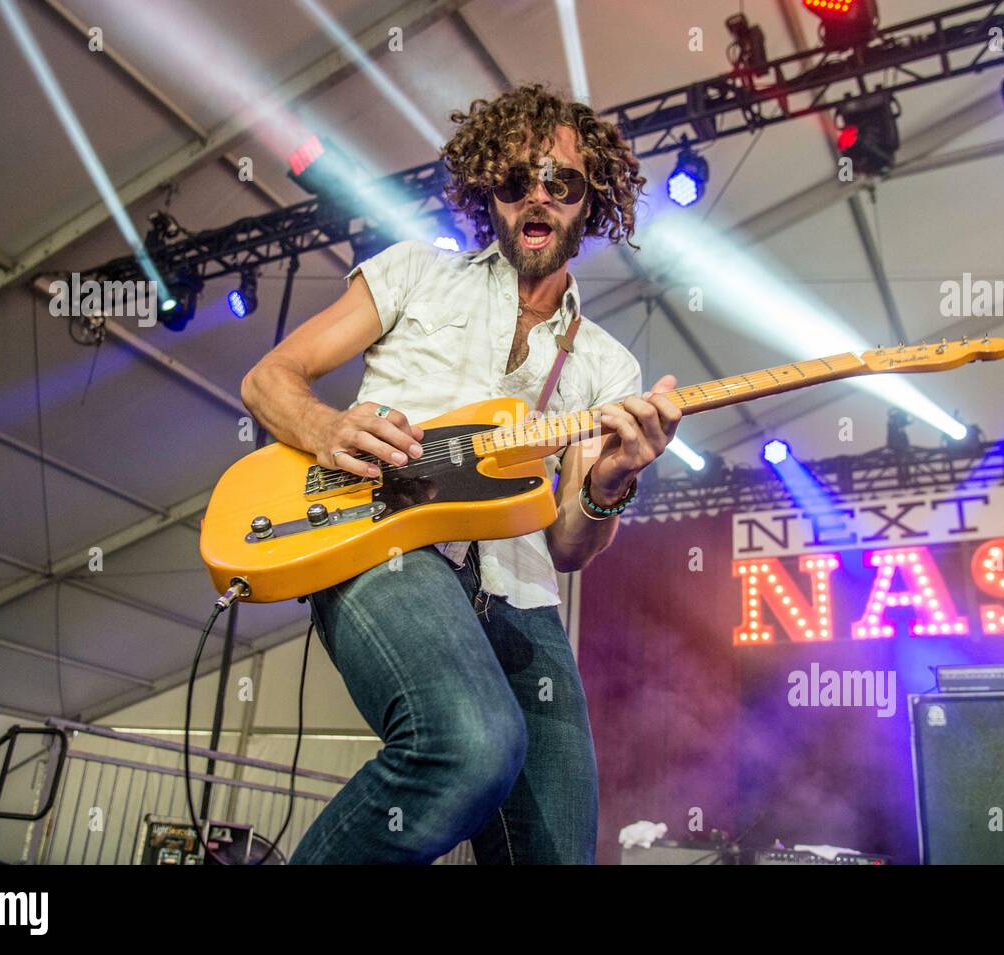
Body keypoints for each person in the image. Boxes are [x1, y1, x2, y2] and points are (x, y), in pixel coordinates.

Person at [239, 84, 681, 863]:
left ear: (590, 200)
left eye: (560, 181)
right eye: (515, 181)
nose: (536, 196)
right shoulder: (415, 273)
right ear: (491, 193)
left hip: (523, 598)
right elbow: (269, 379)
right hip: (384, 548)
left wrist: (608, 483)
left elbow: (571, 544)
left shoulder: (608, 363)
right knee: (470, 743)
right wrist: (328, 425)